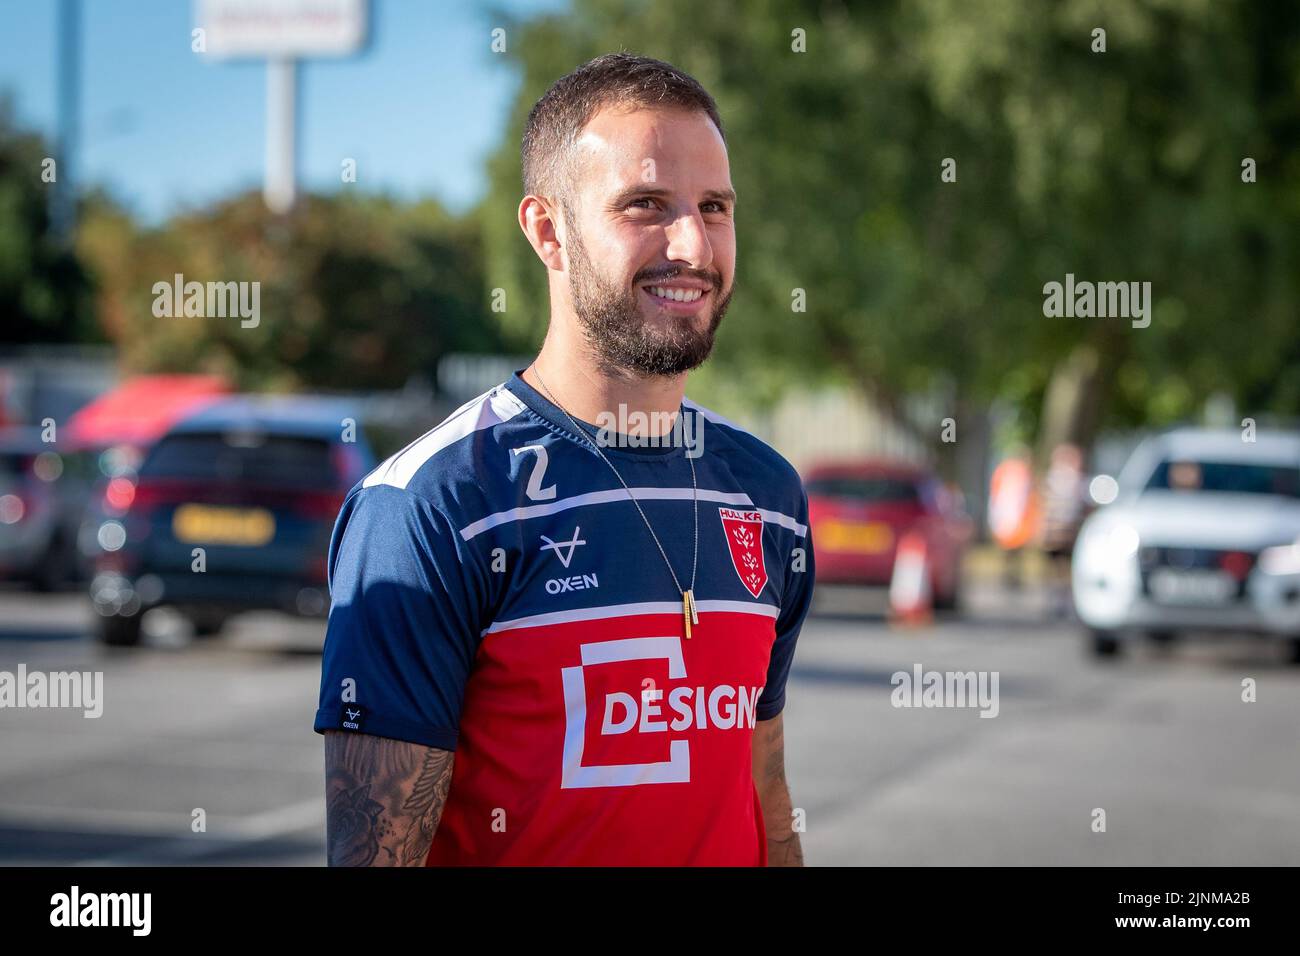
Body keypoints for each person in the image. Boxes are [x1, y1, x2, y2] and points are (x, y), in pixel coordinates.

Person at [314, 53, 816, 866]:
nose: (692, 244)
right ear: (548, 230)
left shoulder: (767, 494)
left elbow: (765, 794)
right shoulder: (430, 507)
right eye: (646, 204)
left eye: (714, 207)